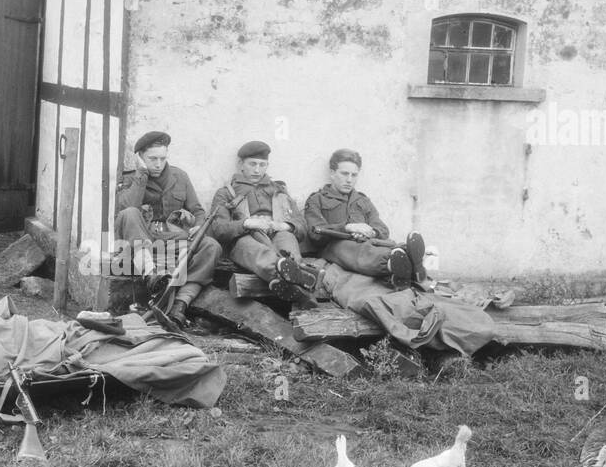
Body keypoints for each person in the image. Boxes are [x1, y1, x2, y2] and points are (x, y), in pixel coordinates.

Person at [114, 130, 221, 326]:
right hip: (139, 239)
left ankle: (180, 304)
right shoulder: (131, 178)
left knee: (211, 246)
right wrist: (142, 174)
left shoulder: (180, 177)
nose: (158, 164)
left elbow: (197, 210)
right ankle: (151, 275)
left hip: (171, 239)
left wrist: (198, 226)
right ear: (139, 158)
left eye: (162, 158)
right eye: (152, 159)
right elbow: (129, 206)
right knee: (129, 213)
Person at [208, 140, 317, 302]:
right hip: (246, 239)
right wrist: (246, 224)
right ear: (241, 164)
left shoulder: (279, 191)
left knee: (287, 238)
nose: (257, 170)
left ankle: (290, 275)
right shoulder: (226, 193)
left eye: (262, 165)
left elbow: (302, 227)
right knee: (250, 247)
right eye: (252, 164)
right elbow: (219, 229)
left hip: (276, 233)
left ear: (267, 166)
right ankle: (294, 278)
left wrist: (284, 225)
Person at [303, 149, 427, 287]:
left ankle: (407, 257)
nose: (349, 180)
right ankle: (393, 263)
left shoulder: (362, 200)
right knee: (347, 248)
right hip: (335, 247)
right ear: (332, 173)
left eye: (354, 175)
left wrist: (372, 232)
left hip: (367, 242)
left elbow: (382, 228)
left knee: (385, 244)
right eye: (344, 174)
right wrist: (347, 228)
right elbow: (315, 232)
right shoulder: (317, 199)